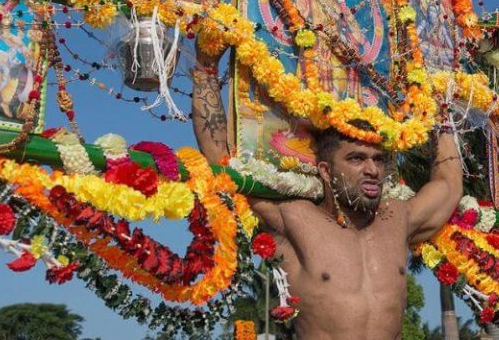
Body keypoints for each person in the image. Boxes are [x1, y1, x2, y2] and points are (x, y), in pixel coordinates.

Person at [192, 44, 463, 340]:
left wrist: (442, 108)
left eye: (378, 159)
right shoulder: (293, 218)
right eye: (356, 158)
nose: (372, 169)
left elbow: (448, 187)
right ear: (325, 170)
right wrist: (206, 67)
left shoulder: (397, 218)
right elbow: (221, 162)